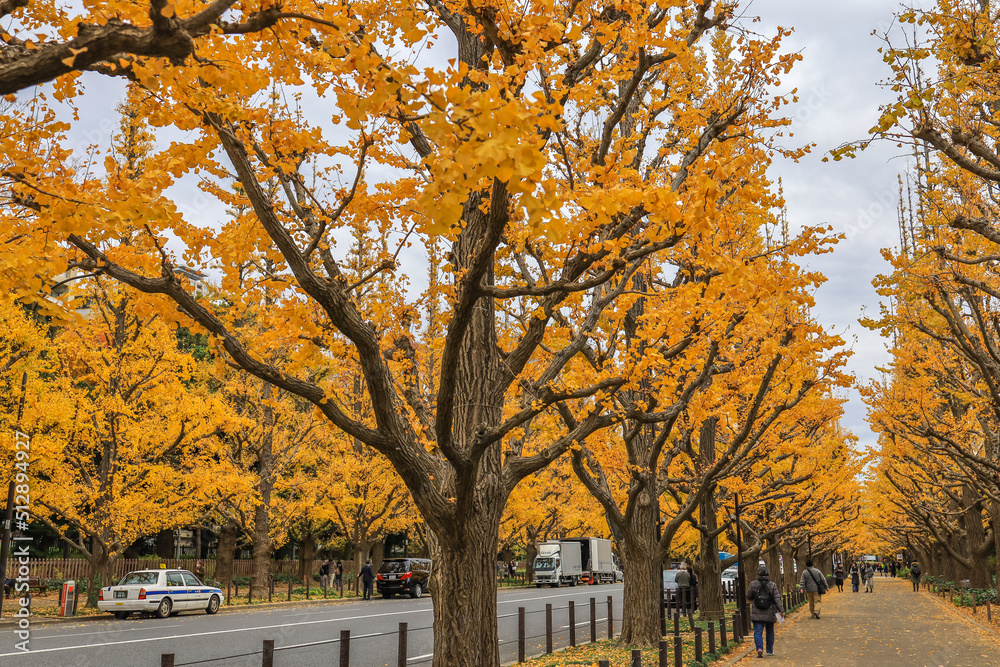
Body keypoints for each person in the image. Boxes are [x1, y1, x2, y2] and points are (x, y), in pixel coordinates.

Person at [747, 565, 785, 659]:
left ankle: (759, 648)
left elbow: (748, 596)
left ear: (758, 573)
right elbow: (777, 598)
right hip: (770, 611)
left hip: (757, 611)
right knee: (770, 631)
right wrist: (781, 610)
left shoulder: (753, 584)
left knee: (758, 631)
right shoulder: (772, 585)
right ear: (768, 574)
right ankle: (769, 650)